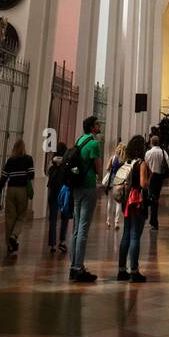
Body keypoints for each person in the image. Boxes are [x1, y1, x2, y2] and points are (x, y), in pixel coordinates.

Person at [69, 115, 102, 283]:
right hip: (88, 186)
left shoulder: (80, 140)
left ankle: (73, 266)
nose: (99, 125)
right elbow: (98, 168)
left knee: (75, 228)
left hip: (76, 186)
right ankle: (79, 267)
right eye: (97, 124)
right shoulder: (94, 143)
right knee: (83, 228)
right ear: (92, 127)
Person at [116, 134, 150, 282]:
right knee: (135, 235)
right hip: (137, 200)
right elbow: (143, 184)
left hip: (126, 201)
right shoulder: (141, 163)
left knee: (126, 235)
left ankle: (121, 270)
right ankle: (134, 271)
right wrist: (150, 178)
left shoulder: (127, 162)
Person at [0, 138, 35, 258]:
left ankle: (9, 245)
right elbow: (32, 174)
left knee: (10, 218)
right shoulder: (28, 159)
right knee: (21, 216)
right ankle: (14, 236)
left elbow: (3, 178)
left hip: (11, 190)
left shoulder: (10, 161)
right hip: (22, 190)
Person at [47, 141, 71, 255]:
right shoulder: (66, 162)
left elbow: (48, 174)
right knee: (64, 217)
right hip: (63, 192)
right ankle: (62, 241)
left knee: (52, 218)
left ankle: (52, 243)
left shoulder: (52, 162)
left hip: (53, 192)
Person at [144, 134, 169, 230]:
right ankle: (153, 221)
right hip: (159, 177)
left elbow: (145, 164)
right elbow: (168, 163)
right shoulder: (163, 152)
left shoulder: (148, 153)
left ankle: (153, 221)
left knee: (152, 198)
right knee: (155, 199)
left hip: (151, 177)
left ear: (151, 142)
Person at [103, 139, 126, 228]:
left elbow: (107, 168)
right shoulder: (124, 160)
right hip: (120, 181)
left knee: (109, 201)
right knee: (118, 202)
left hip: (112, 180)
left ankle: (108, 221)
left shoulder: (113, 157)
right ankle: (116, 222)